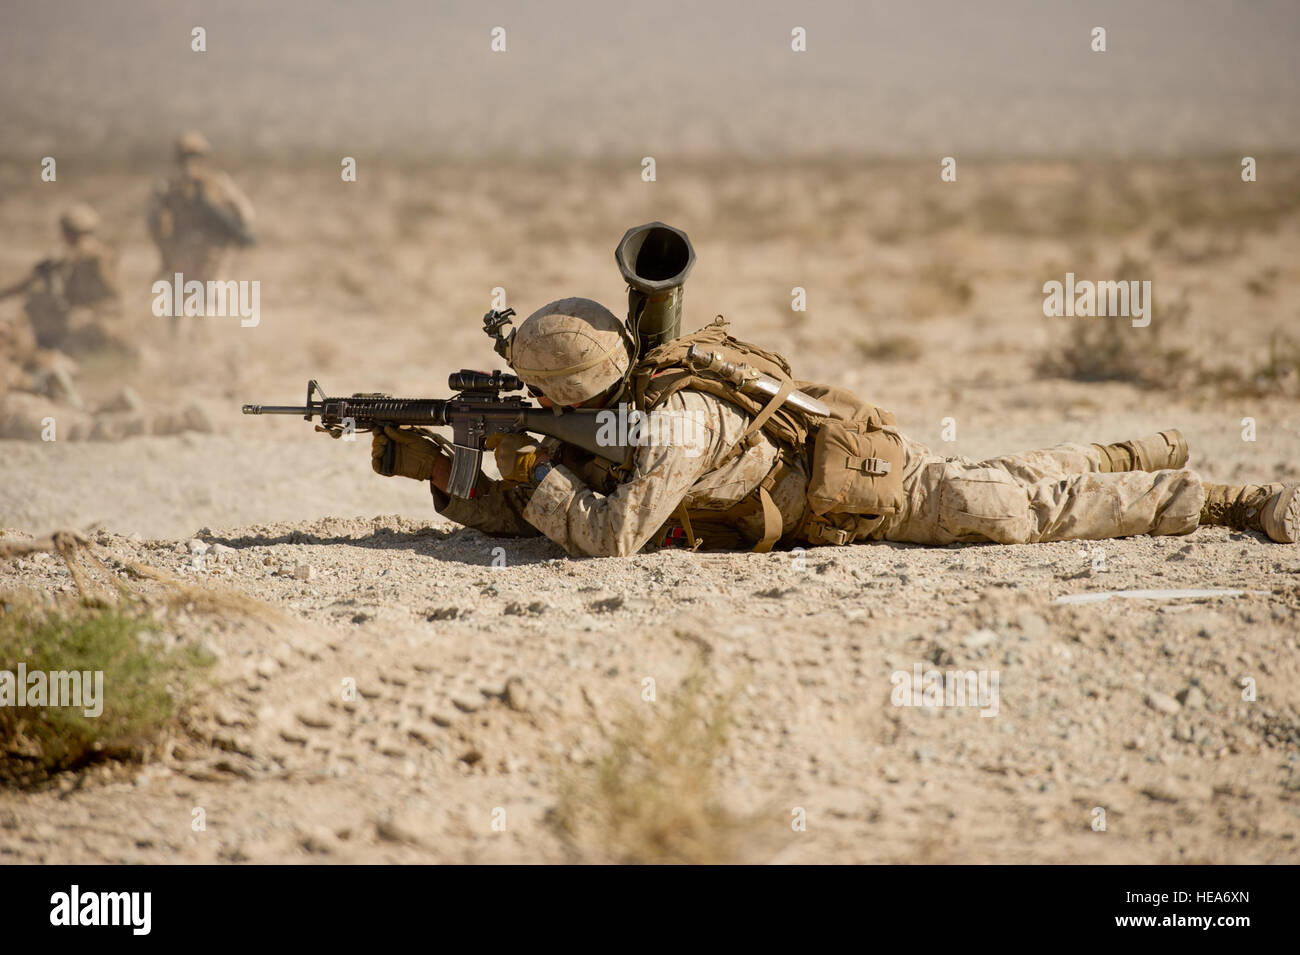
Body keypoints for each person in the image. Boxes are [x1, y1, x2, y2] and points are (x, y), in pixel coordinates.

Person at [368, 298, 1300, 556]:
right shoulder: (606, 421)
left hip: (870, 497)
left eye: (537, 399)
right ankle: (1127, 449)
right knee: (1016, 474)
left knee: (1023, 509)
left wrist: (527, 473)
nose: (532, 412)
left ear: (571, 392)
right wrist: (440, 472)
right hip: (813, 508)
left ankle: (1225, 500)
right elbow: (553, 513)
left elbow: (607, 538)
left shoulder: (673, 424)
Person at [147, 131, 255, 333]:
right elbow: (247, 214)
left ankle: (185, 352)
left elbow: (153, 223)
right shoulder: (218, 182)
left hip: (183, 253)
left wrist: (166, 251)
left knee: (180, 306)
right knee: (205, 304)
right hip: (211, 253)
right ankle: (198, 350)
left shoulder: (168, 185)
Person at [0, 204, 120, 355]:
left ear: (66, 232)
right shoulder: (106, 254)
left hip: (81, 322)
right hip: (100, 318)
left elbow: (28, 284)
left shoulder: (67, 259)